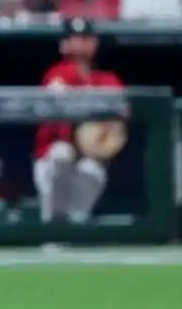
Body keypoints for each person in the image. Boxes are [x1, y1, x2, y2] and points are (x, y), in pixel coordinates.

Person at [33, 18, 126, 224]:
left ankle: (78, 228)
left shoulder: (107, 80)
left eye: (87, 38)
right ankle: (53, 228)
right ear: (63, 44)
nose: (81, 43)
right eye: (75, 38)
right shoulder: (56, 75)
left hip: (88, 159)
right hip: (52, 159)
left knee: (92, 169)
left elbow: (121, 115)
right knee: (61, 155)